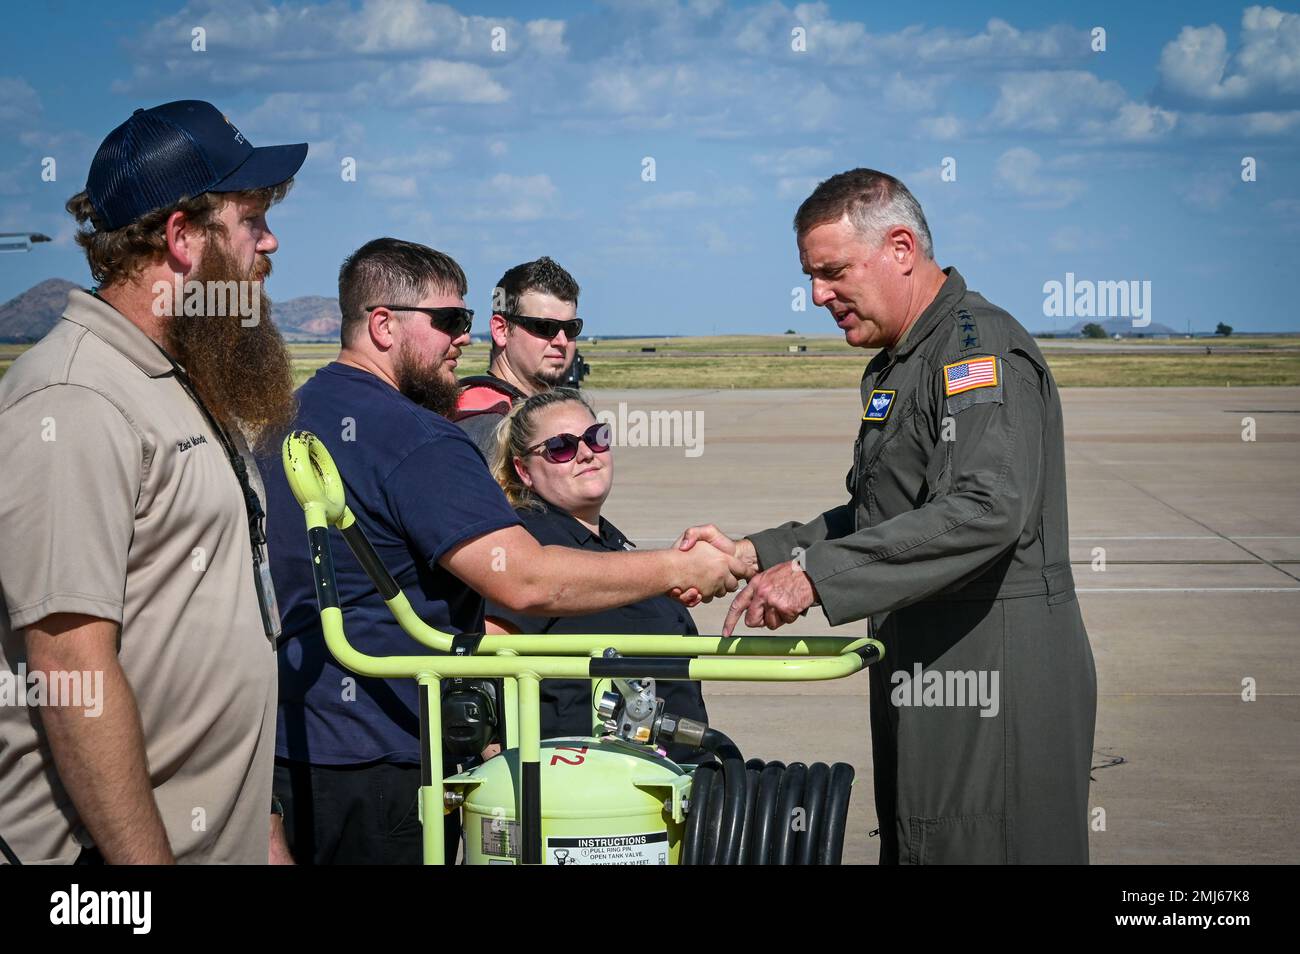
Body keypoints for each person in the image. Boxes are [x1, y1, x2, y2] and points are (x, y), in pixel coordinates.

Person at [259, 238, 747, 865]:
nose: (462, 340)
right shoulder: (415, 436)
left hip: (292, 745)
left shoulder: (288, 418)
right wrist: (680, 567)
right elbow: (525, 580)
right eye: (448, 322)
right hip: (384, 751)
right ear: (383, 325)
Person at [678, 168, 1097, 865]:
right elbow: (881, 515)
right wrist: (754, 554)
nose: (818, 295)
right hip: (928, 659)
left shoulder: (977, 350)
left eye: (833, 272)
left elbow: (985, 509)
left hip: (992, 668)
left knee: (979, 847)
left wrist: (816, 579)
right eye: (811, 277)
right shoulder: (905, 358)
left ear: (900, 247)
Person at [0, 100, 305, 864]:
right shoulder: (75, 400)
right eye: (251, 220)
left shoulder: (187, 378)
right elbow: (71, 667)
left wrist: (259, 825)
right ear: (180, 238)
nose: (270, 242)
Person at [483, 389, 709, 764]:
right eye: (560, 447)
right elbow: (485, 666)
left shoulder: (610, 545)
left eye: (596, 437)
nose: (586, 452)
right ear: (524, 471)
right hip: (585, 791)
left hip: (666, 781)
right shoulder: (530, 546)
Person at [453, 256, 582, 458]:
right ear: (501, 329)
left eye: (571, 328)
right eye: (544, 327)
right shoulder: (478, 423)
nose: (562, 341)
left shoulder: (553, 414)